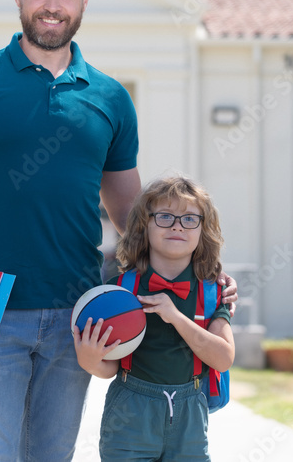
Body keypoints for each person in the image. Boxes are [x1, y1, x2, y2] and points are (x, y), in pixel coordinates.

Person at [0, 0, 236, 461]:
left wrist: (201, 271)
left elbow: (136, 218)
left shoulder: (110, 98)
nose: (52, 5)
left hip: (80, 312)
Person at [73, 175, 234, 462]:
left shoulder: (213, 292)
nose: (176, 225)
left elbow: (222, 359)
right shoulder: (120, 291)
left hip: (190, 413)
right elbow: (110, 368)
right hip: (130, 411)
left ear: (203, 230)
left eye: (189, 219)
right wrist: (88, 358)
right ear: (143, 226)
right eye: (164, 216)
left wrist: (174, 316)